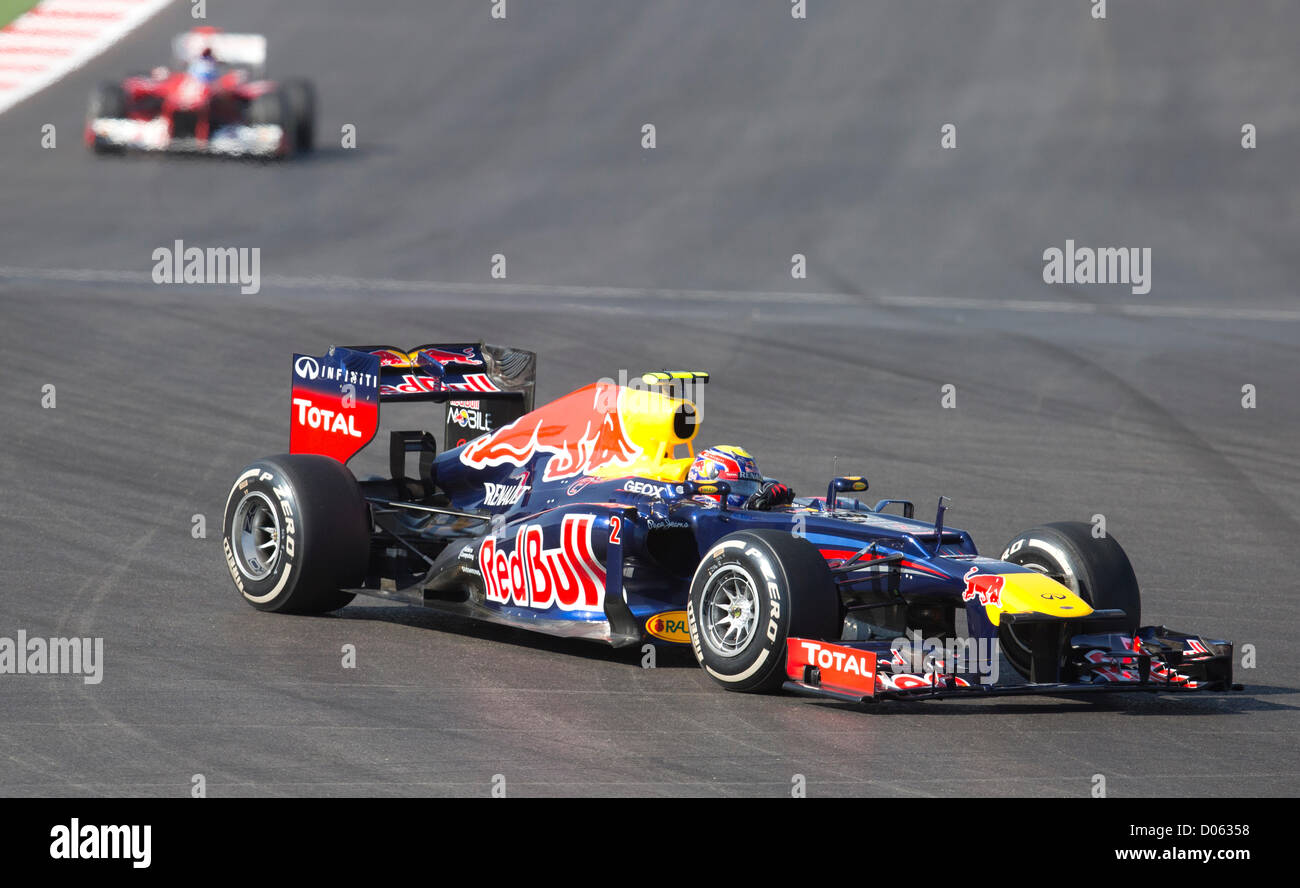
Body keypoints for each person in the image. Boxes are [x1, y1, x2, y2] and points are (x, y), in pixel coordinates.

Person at [686, 445, 795, 510]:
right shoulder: (683, 510)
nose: (748, 496)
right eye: (738, 486)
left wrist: (779, 508)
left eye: (750, 487)